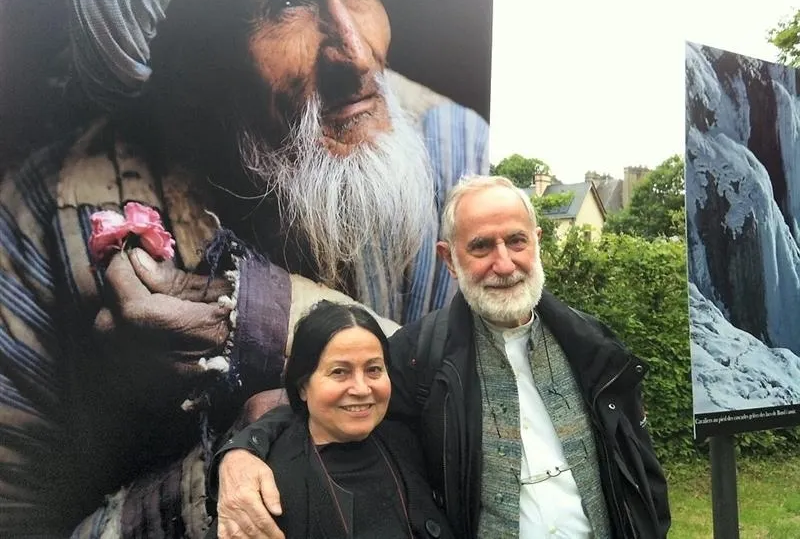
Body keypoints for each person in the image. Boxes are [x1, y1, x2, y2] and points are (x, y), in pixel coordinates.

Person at [0, 0, 488, 536]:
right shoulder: (40, 224)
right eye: (287, 3)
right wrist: (211, 483)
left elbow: (509, 439)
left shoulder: (462, 159)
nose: (357, 55)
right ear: (189, 60)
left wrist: (267, 324)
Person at [215, 175, 672, 539]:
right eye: (481, 246)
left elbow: (635, 460)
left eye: (516, 241)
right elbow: (331, 399)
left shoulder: (590, 342)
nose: (504, 263)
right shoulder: (419, 355)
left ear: (537, 242)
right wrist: (240, 453)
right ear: (449, 259)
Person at [208, 300, 455, 539]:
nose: (361, 388)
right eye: (339, 372)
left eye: (373, 369)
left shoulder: (406, 441)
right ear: (303, 385)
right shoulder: (266, 488)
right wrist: (236, 453)